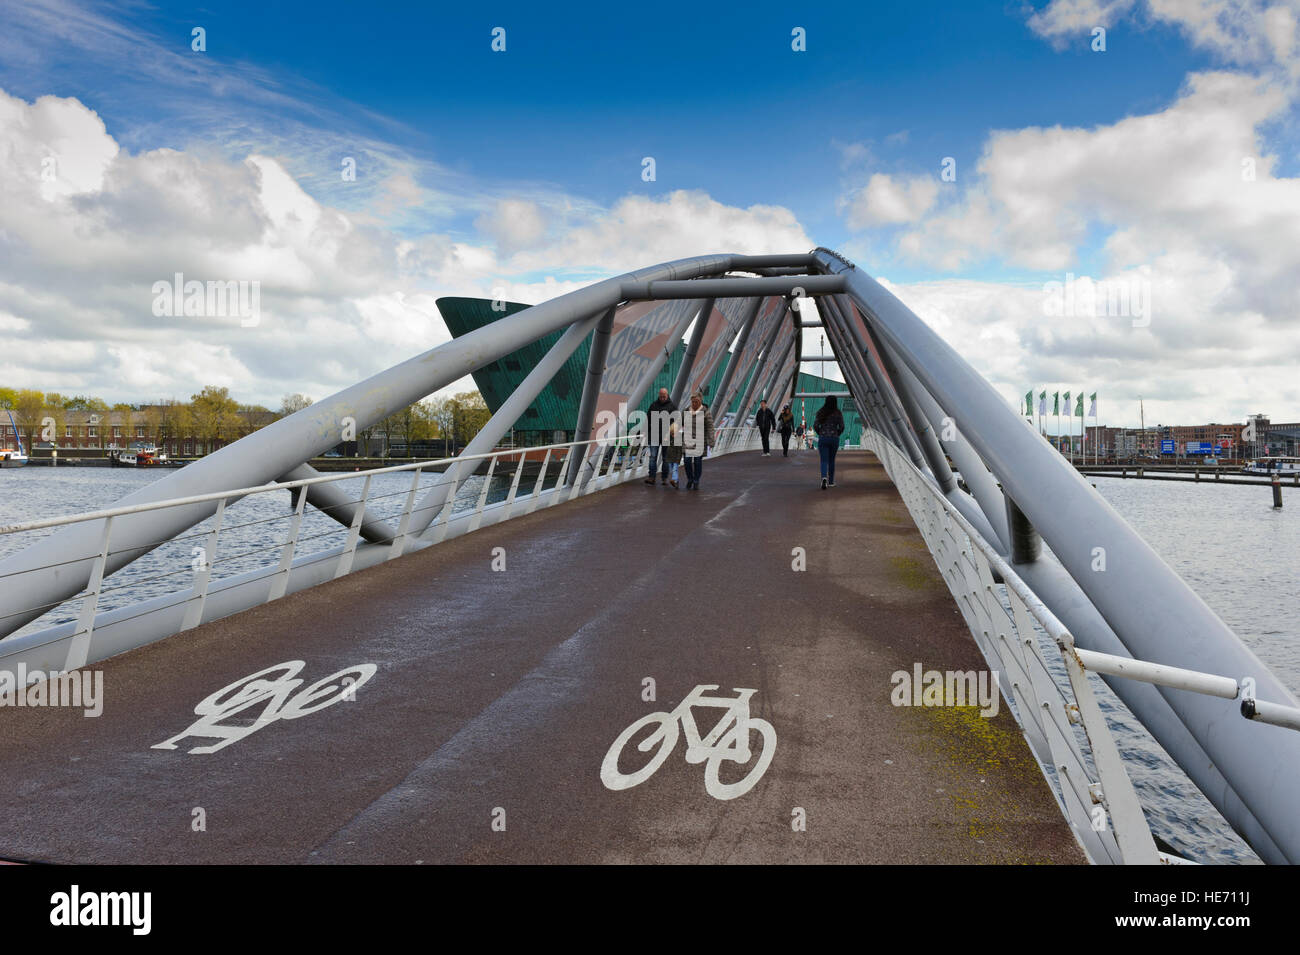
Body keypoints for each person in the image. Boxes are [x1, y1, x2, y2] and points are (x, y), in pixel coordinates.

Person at [643, 387, 677, 486]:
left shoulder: (672, 407)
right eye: (661, 396)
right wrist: (645, 431)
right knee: (653, 457)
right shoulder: (653, 405)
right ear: (659, 395)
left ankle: (664, 478)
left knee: (665, 458)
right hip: (654, 435)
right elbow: (648, 419)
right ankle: (651, 477)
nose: (662, 398)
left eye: (664, 396)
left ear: (667, 395)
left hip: (667, 436)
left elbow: (677, 420)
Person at [681, 390, 713, 490]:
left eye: (696, 402)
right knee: (687, 461)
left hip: (700, 441)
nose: (694, 403)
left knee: (698, 462)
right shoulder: (686, 411)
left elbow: (710, 427)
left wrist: (711, 441)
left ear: (700, 401)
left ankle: (696, 480)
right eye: (693, 401)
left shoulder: (705, 412)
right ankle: (690, 479)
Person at [814, 395, 845, 489]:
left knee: (824, 460)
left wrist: (820, 432)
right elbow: (842, 426)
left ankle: (824, 478)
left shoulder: (821, 412)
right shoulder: (838, 413)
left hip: (823, 438)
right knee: (831, 460)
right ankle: (831, 482)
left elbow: (815, 425)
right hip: (834, 438)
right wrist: (837, 433)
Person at [663, 419, 684, 488]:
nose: (673, 435)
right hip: (669, 457)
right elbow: (666, 445)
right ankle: (676, 481)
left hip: (676, 458)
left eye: (674, 433)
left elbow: (679, 450)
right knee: (672, 470)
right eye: (672, 433)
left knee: (675, 469)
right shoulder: (669, 438)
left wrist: (678, 459)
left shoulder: (679, 438)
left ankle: (674, 480)